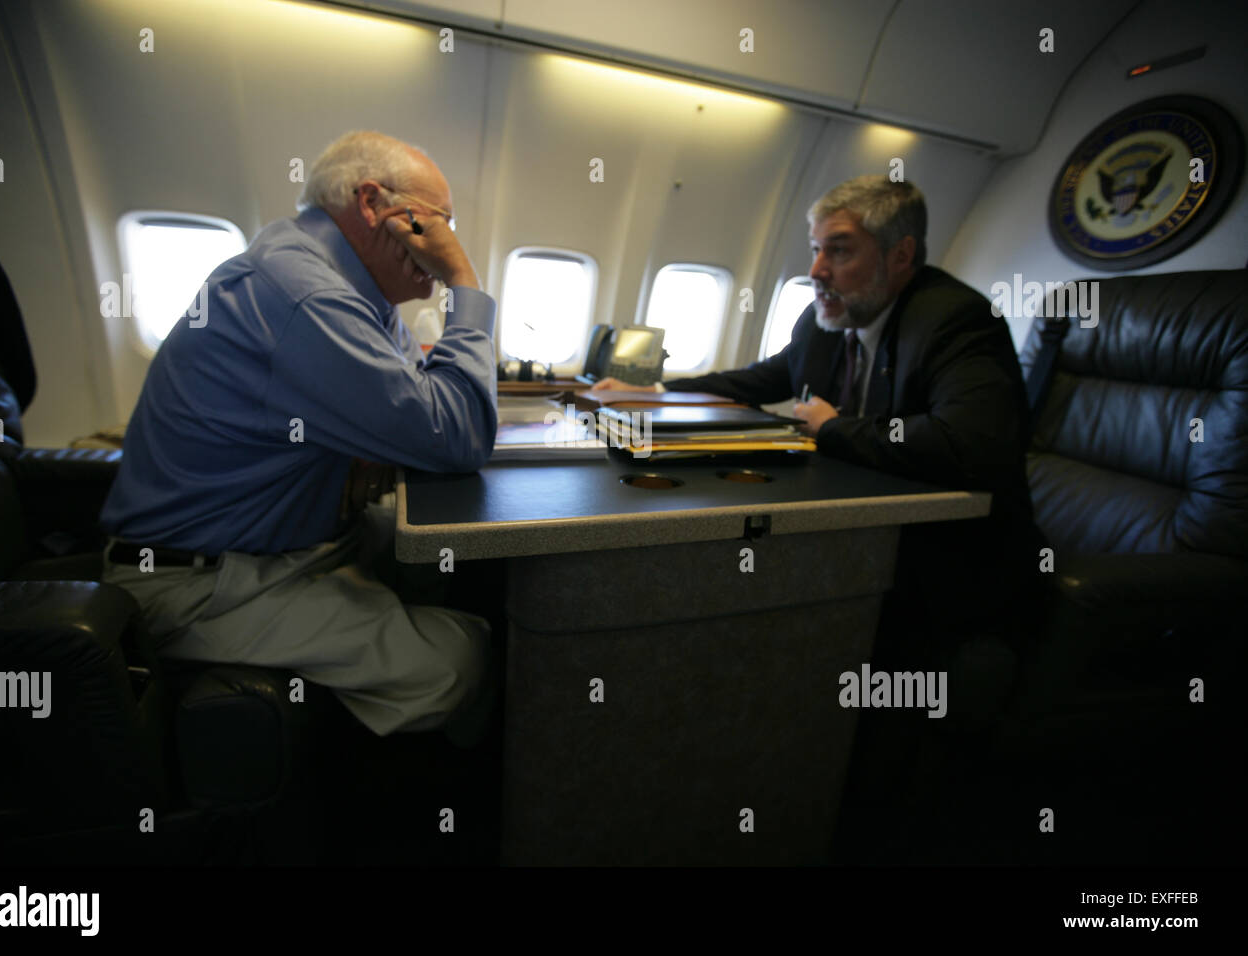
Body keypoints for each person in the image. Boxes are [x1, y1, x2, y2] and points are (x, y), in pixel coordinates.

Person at [100, 130, 497, 744]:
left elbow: (415, 412)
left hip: (283, 545)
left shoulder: (353, 294)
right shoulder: (303, 295)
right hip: (201, 583)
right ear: (371, 203)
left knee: (456, 562)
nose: (444, 243)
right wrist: (466, 284)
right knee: (458, 659)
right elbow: (454, 434)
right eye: (434, 224)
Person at [596, 175, 1047, 688]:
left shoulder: (957, 321)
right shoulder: (825, 320)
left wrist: (833, 428)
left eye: (839, 251)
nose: (816, 270)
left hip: (950, 562)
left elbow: (967, 444)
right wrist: (657, 391)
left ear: (900, 255)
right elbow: (761, 379)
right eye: (815, 250)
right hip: (860, 534)